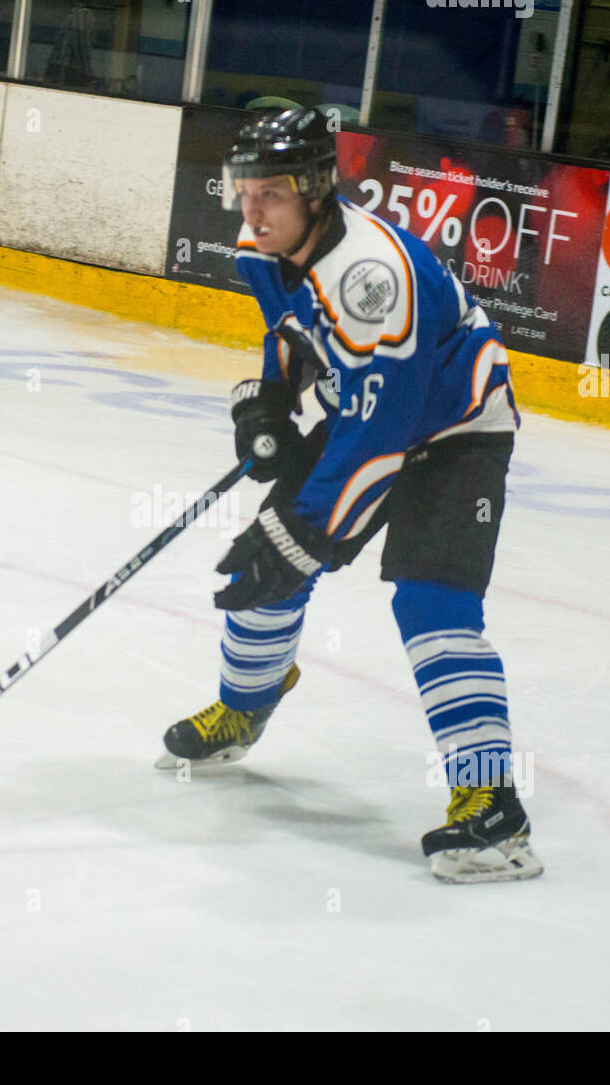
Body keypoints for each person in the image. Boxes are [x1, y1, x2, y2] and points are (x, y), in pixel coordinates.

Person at [156, 107, 542, 884]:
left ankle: (494, 808)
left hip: (458, 427)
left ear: (315, 190)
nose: (249, 208)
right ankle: (246, 704)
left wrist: (301, 532)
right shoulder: (265, 244)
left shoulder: (372, 281)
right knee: (260, 569)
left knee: (429, 600)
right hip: (376, 408)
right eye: (243, 189)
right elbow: (294, 328)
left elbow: (383, 436)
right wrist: (270, 397)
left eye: (268, 192)